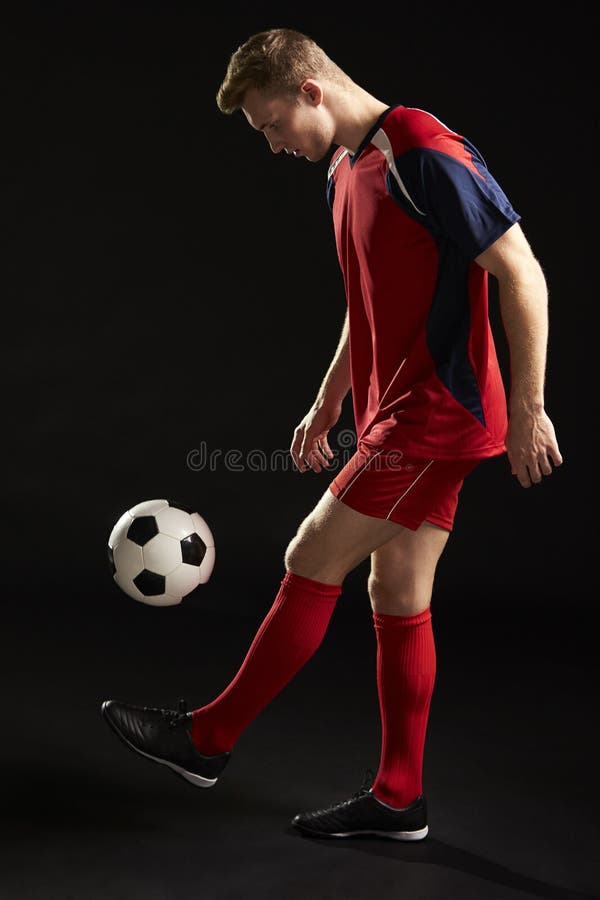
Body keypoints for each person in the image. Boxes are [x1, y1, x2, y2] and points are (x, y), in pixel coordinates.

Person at [101, 27, 563, 841]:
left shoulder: (422, 149)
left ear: (310, 89)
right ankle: (398, 801)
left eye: (271, 123)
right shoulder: (345, 173)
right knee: (397, 592)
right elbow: (368, 303)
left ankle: (206, 739)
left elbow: (521, 270)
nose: (273, 144)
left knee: (309, 557)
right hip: (395, 411)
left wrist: (529, 408)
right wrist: (328, 405)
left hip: (438, 416)